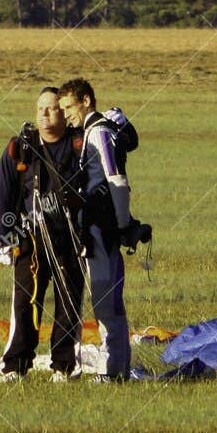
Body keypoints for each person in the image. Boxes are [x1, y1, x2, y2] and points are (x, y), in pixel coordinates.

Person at [0, 86, 87, 382]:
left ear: (64, 112)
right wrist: (3, 238)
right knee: (25, 302)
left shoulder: (79, 146)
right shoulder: (21, 147)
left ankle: (63, 366)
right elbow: (2, 194)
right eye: (40, 109)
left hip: (69, 239)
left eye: (52, 108)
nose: (44, 115)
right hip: (28, 238)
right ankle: (15, 365)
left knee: (69, 302)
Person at [57, 77, 141, 381]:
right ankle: (117, 369)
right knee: (105, 300)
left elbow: (116, 179)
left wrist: (121, 225)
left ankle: (112, 370)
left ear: (86, 100)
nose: (66, 114)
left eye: (69, 106)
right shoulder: (92, 131)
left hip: (102, 230)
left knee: (106, 301)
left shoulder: (99, 132)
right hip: (96, 229)